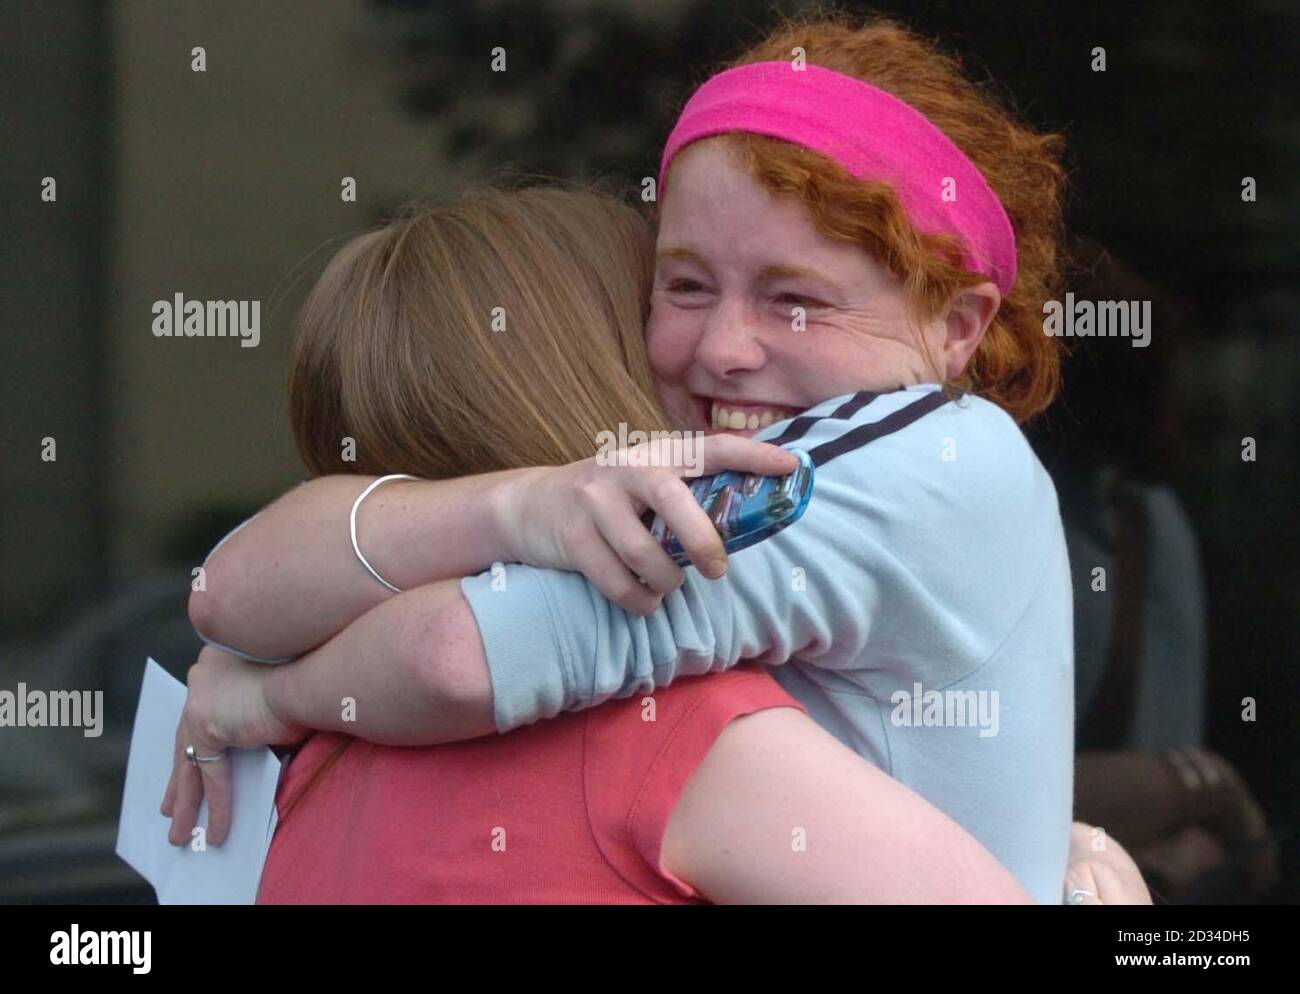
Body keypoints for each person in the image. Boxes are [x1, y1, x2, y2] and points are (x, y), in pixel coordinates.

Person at [172, 15, 1141, 903]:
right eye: (683, 284)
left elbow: (462, 652)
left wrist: (270, 691)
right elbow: (228, 590)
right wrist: (512, 508)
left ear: (957, 326)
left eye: (792, 299)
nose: (722, 346)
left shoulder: (930, 454)